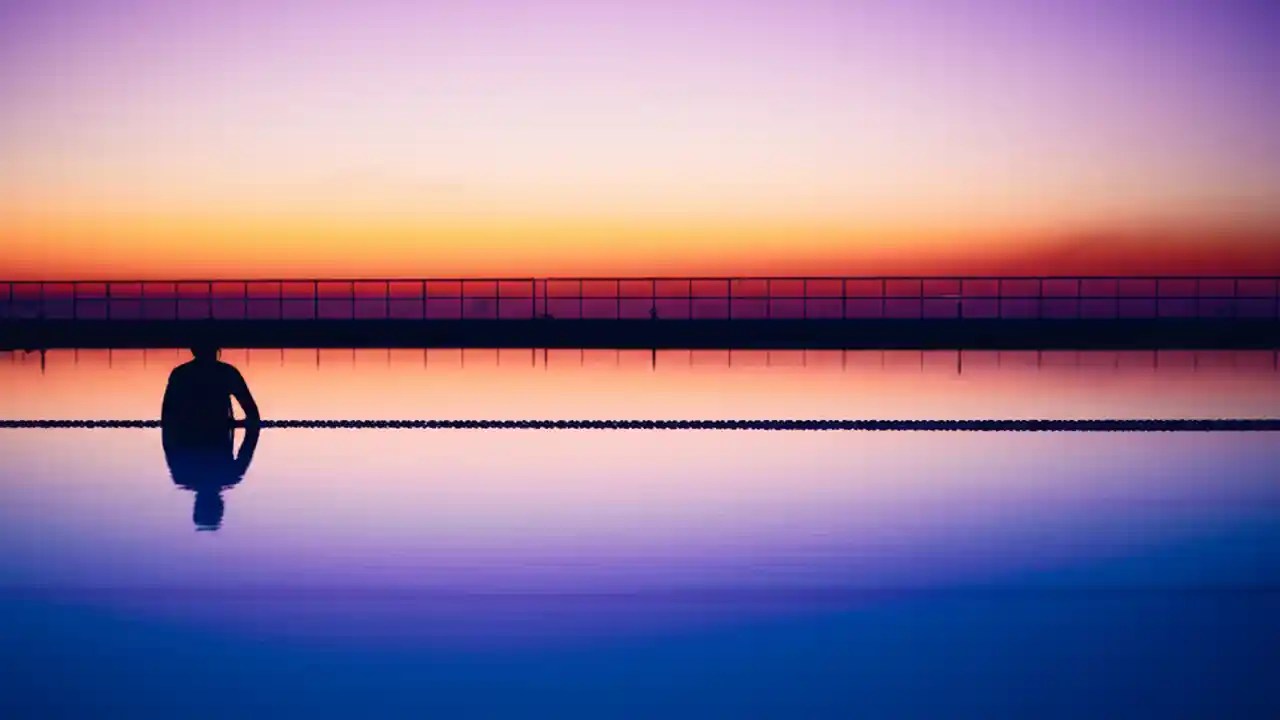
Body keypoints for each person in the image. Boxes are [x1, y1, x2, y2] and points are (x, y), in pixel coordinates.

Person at [160, 345, 261, 530]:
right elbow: (252, 416)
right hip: (218, 435)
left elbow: (167, 422)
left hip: (188, 435)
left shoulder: (181, 374)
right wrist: (249, 428)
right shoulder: (227, 373)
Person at [161, 345, 260, 431]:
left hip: (187, 441)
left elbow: (167, 413)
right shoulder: (228, 373)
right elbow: (251, 411)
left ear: (193, 349)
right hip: (220, 441)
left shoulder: (180, 374)